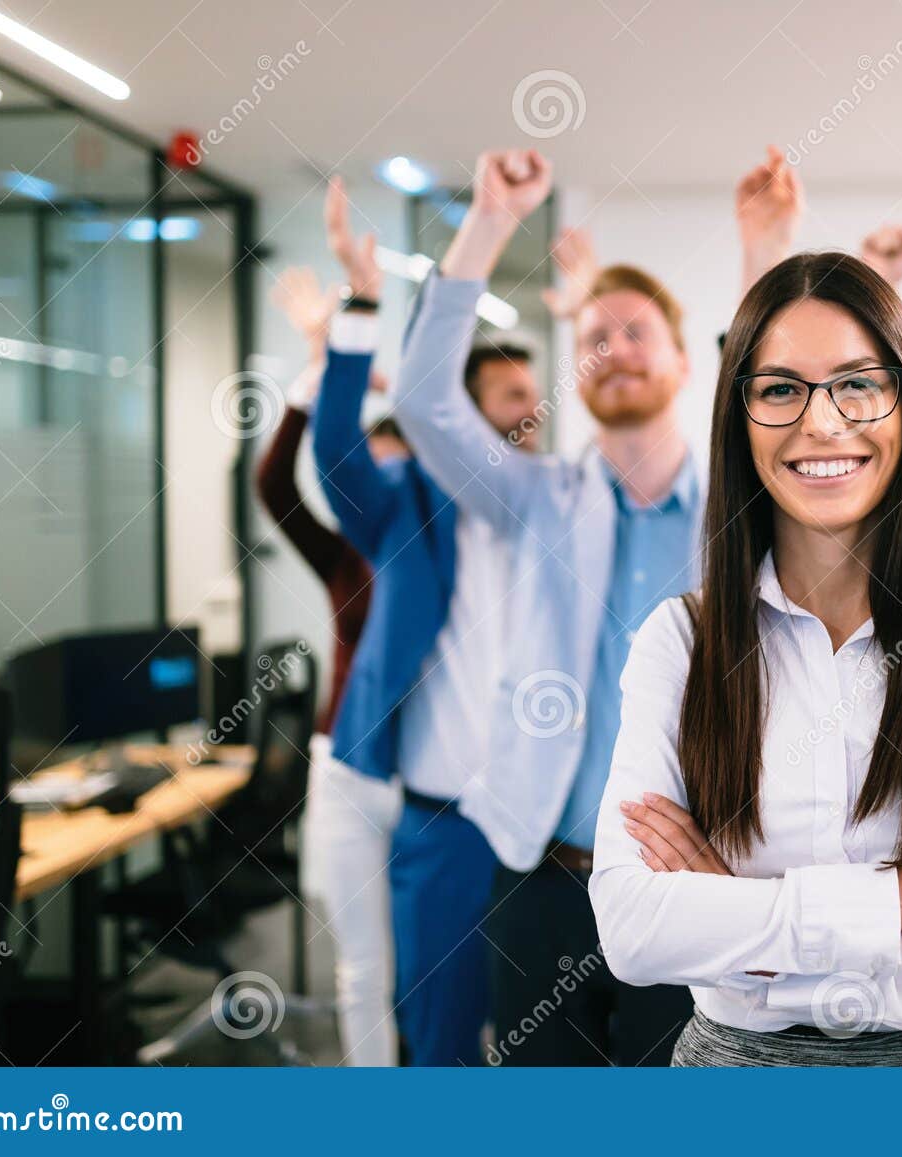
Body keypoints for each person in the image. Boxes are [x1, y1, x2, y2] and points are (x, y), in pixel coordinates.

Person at [589, 251, 902, 1066]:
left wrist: (746, 938)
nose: (822, 423)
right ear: (740, 416)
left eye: (859, 382)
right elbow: (632, 929)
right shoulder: (678, 641)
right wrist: (900, 901)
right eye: (781, 388)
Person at [390, 148, 697, 1066]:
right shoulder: (536, 496)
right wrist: (488, 221)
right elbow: (422, 401)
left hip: (692, 889)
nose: (615, 350)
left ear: (686, 359)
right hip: (541, 877)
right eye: (595, 337)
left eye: (638, 330)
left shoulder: (741, 510)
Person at [309, 178, 540, 1066]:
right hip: (442, 816)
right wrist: (361, 303)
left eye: (531, 394)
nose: (526, 410)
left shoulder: (557, 508)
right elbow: (335, 448)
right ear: (458, 415)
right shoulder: (402, 501)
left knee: (536, 1035)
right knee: (440, 1034)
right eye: (506, 396)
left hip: (544, 823)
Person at [259, 265, 405, 1068]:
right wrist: (318, 369)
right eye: (364, 472)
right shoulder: (344, 554)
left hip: (425, 767)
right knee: (361, 965)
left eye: (391, 471)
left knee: (429, 960)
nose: (374, 487)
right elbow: (274, 484)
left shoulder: (449, 553)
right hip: (344, 763)